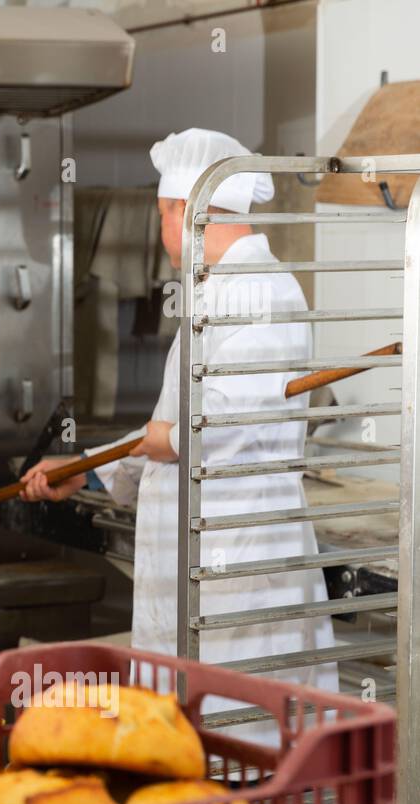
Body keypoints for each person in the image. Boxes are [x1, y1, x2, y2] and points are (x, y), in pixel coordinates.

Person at [19, 128, 336, 730]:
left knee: (243, 734)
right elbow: (173, 428)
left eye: (163, 214)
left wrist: (119, 453)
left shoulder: (259, 293)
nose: (162, 234)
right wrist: (86, 467)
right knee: (195, 732)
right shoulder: (217, 292)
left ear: (187, 213)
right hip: (201, 547)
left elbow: (207, 428)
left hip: (237, 552)